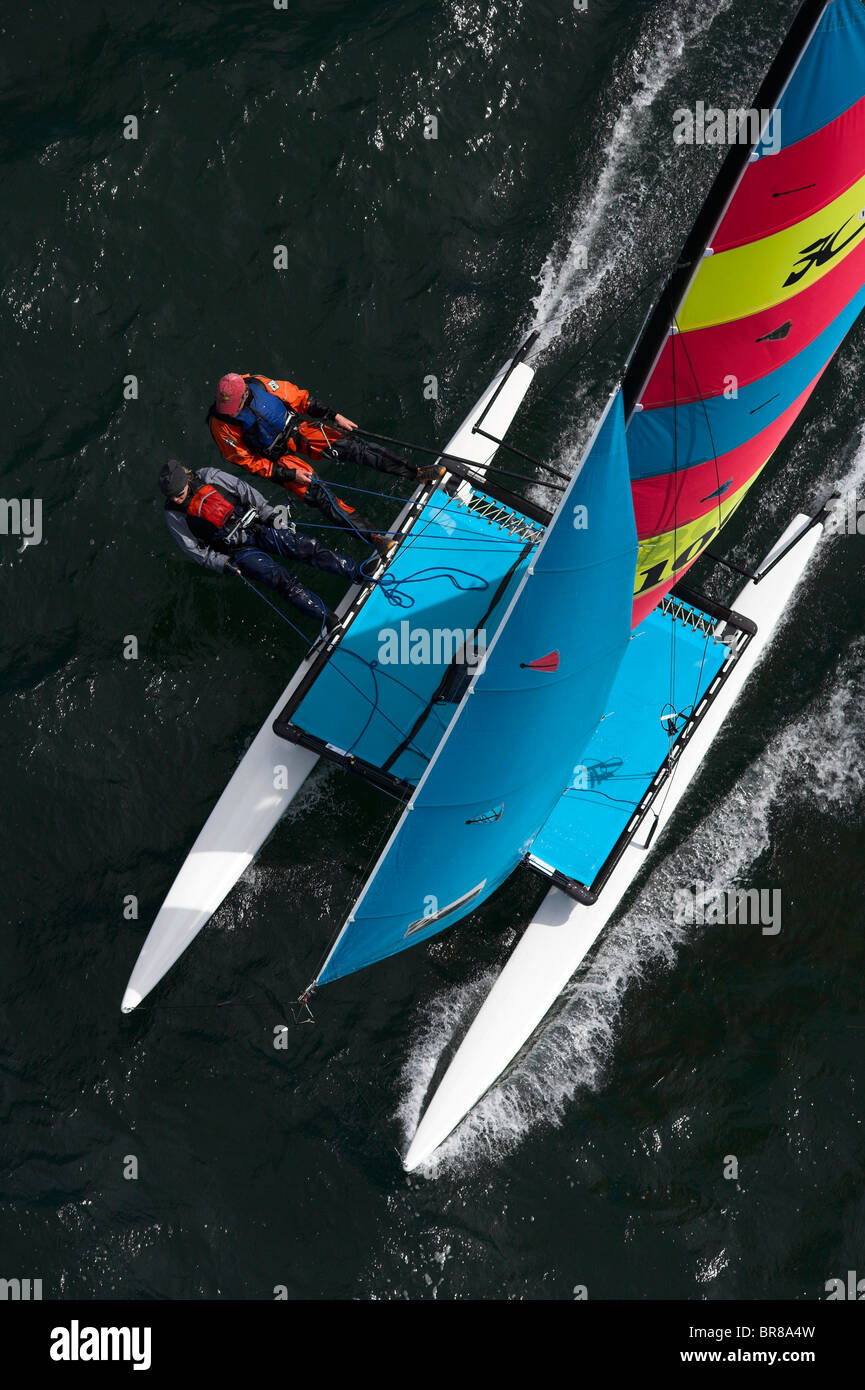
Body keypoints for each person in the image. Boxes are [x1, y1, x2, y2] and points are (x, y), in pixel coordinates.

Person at [206, 372, 439, 555]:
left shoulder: (259, 384)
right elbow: (249, 462)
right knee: (321, 496)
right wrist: (289, 475)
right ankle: (374, 538)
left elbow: (300, 399)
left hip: (298, 430)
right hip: (278, 461)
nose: (230, 410)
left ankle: (416, 473)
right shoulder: (221, 425)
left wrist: (334, 416)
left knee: (355, 447)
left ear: (245, 392)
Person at [159, 459, 369, 632]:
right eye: (172, 497)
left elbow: (244, 490)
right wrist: (222, 563)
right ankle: (329, 619)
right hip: (235, 550)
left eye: (179, 494)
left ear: (185, 481)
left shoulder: (208, 475)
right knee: (280, 579)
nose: (176, 499)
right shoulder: (173, 514)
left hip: (255, 524)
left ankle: (357, 571)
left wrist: (267, 513)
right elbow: (194, 550)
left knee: (307, 547)